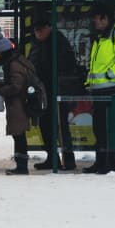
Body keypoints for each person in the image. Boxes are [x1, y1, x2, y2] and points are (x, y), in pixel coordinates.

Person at [83, 1, 115, 174]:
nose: (94, 23)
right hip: (99, 91)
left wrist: (109, 75)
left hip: (113, 91)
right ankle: (101, 161)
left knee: (110, 129)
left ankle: (110, 163)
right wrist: (89, 83)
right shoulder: (101, 38)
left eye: (96, 19)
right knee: (99, 129)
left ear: (105, 19)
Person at [27, 17, 81, 171]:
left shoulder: (58, 42)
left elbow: (64, 65)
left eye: (41, 28)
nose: (38, 32)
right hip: (43, 91)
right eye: (36, 29)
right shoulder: (38, 43)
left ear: (49, 27)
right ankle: (52, 157)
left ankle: (68, 160)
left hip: (57, 90)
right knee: (45, 125)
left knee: (61, 126)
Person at [0, 35, 35, 175]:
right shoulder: (16, 61)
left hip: (19, 103)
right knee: (18, 134)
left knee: (19, 134)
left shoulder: (13, 64)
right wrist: (0, 85)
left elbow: (16, 87)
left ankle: (22, 166)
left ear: (2, 53)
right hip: (19, 102)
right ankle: (21, 165)